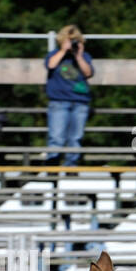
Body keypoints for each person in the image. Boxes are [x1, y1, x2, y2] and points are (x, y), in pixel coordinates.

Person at [44, 24, 95, 167]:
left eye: (74, 40)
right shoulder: (54, 54)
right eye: (69, 40)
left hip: (80, 102)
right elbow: (51, 65)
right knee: (56, 138)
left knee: (76, 138)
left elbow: (88, 73)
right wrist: (62, 50)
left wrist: (78, 56)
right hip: (58, 101)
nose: (72, 43)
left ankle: (71, 166)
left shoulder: (84, 56)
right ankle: (52, 167)